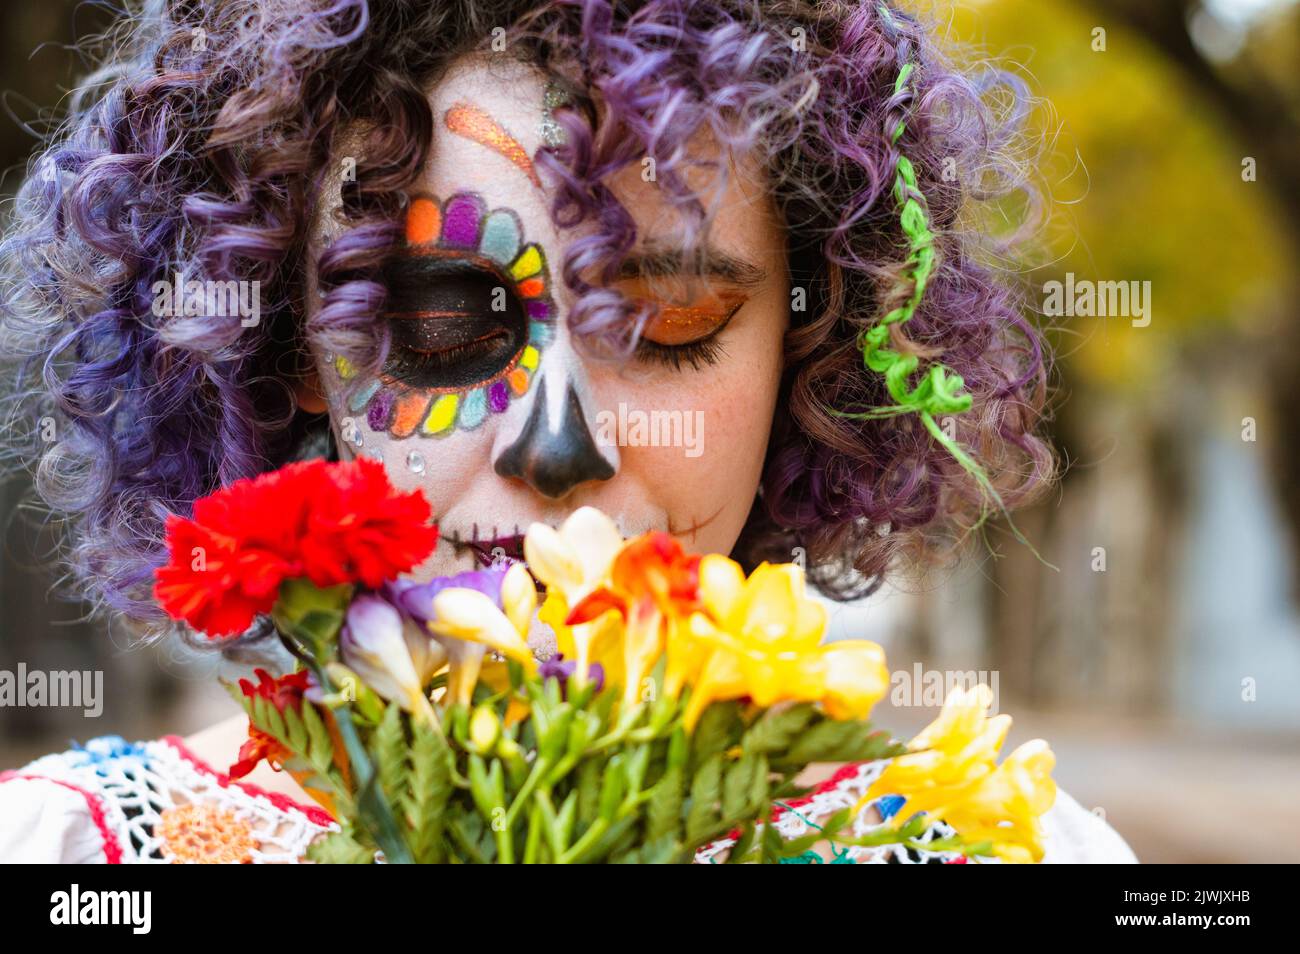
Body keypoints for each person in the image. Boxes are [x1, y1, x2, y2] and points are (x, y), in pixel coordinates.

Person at [0, 0, 1134, 862]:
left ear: (811, 347)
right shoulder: (71, 854)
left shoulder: (1012, 852)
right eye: (443, 324)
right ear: (294, 352)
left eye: (668, 321)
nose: (560, 447)